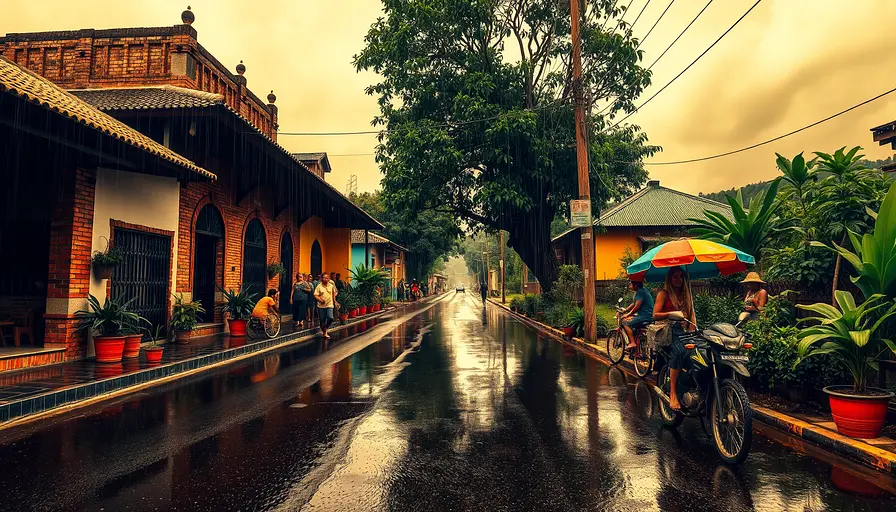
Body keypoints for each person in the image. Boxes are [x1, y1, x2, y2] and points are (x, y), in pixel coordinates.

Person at [653, 266, 696, 411]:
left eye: (681, 277)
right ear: (670, 279)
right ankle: (672, 393)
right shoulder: (663, 294)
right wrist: (671, 313)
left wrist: (693, 331)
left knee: (699, 353)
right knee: (679, 352)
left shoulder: (686, 295)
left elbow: (691, 316)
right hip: (669, 332)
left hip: (685, 331)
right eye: (675, 277)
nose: (678, 280)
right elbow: (655, 314)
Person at [618, 280, 655, 350]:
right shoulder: (642, 291)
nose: (629, 286)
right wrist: (625, 310)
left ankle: (632, 342)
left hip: (644, 316)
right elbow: (633, 304)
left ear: (636, 285)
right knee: (630, 319)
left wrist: (627, 314)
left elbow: (637, 306)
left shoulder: (640, 292)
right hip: (648, 315)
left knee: (625, 322)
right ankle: (635, 347)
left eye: (630, 284)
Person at [314, 272, 339, 339]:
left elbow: (333, 294)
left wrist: (335, 302)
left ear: (328, 279)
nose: (326, 279)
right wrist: (320, 299)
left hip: (329, 305)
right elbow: (315, 295)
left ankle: (326, 328)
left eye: (327, 278)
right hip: (321, 306)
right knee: (322, 320)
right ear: (322, 279)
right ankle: (325, 333)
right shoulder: (319, 286)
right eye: (324, 278)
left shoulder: (331, 286)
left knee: (330, 318)